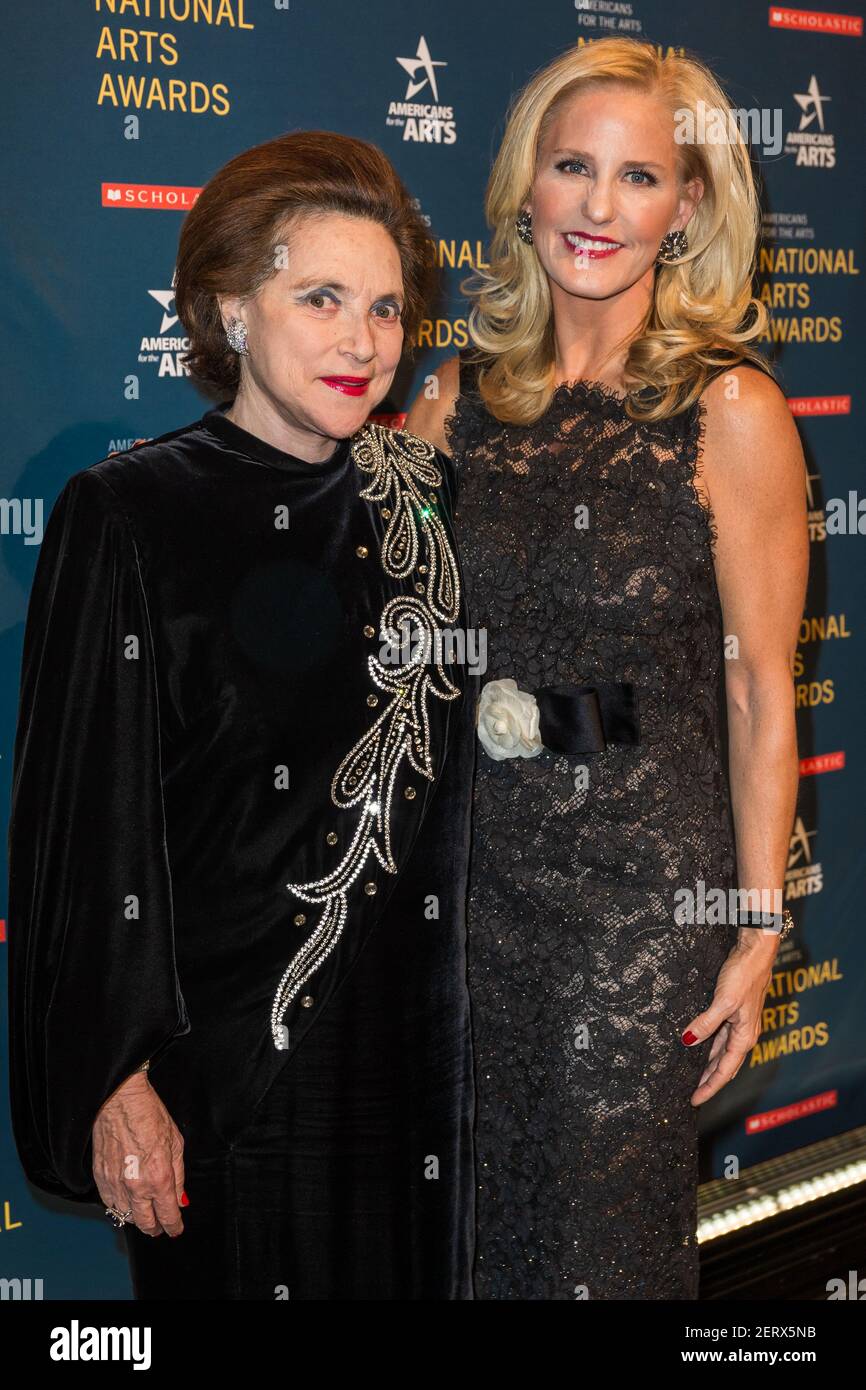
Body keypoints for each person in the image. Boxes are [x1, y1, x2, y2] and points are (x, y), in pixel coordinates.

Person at [7, 130, 477, 1300]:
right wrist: (119, 1080)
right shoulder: (129, 511)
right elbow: (85, 830)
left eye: (383, 307)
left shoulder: (422, 499)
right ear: (227, 309)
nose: (363, 341)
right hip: (225, 1087)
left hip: (421, 1067)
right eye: (320, 298)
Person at [406, 37, 808, 1299]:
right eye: (571, 166)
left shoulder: (728, 411)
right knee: (471, 1238)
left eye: (638, 178)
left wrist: (751, 925)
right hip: (473, 882)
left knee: (596, 1242)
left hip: (639, 895)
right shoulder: (447, 402)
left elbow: (754, 692)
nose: (596, 205)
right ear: (524, 183)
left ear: (684, 207)